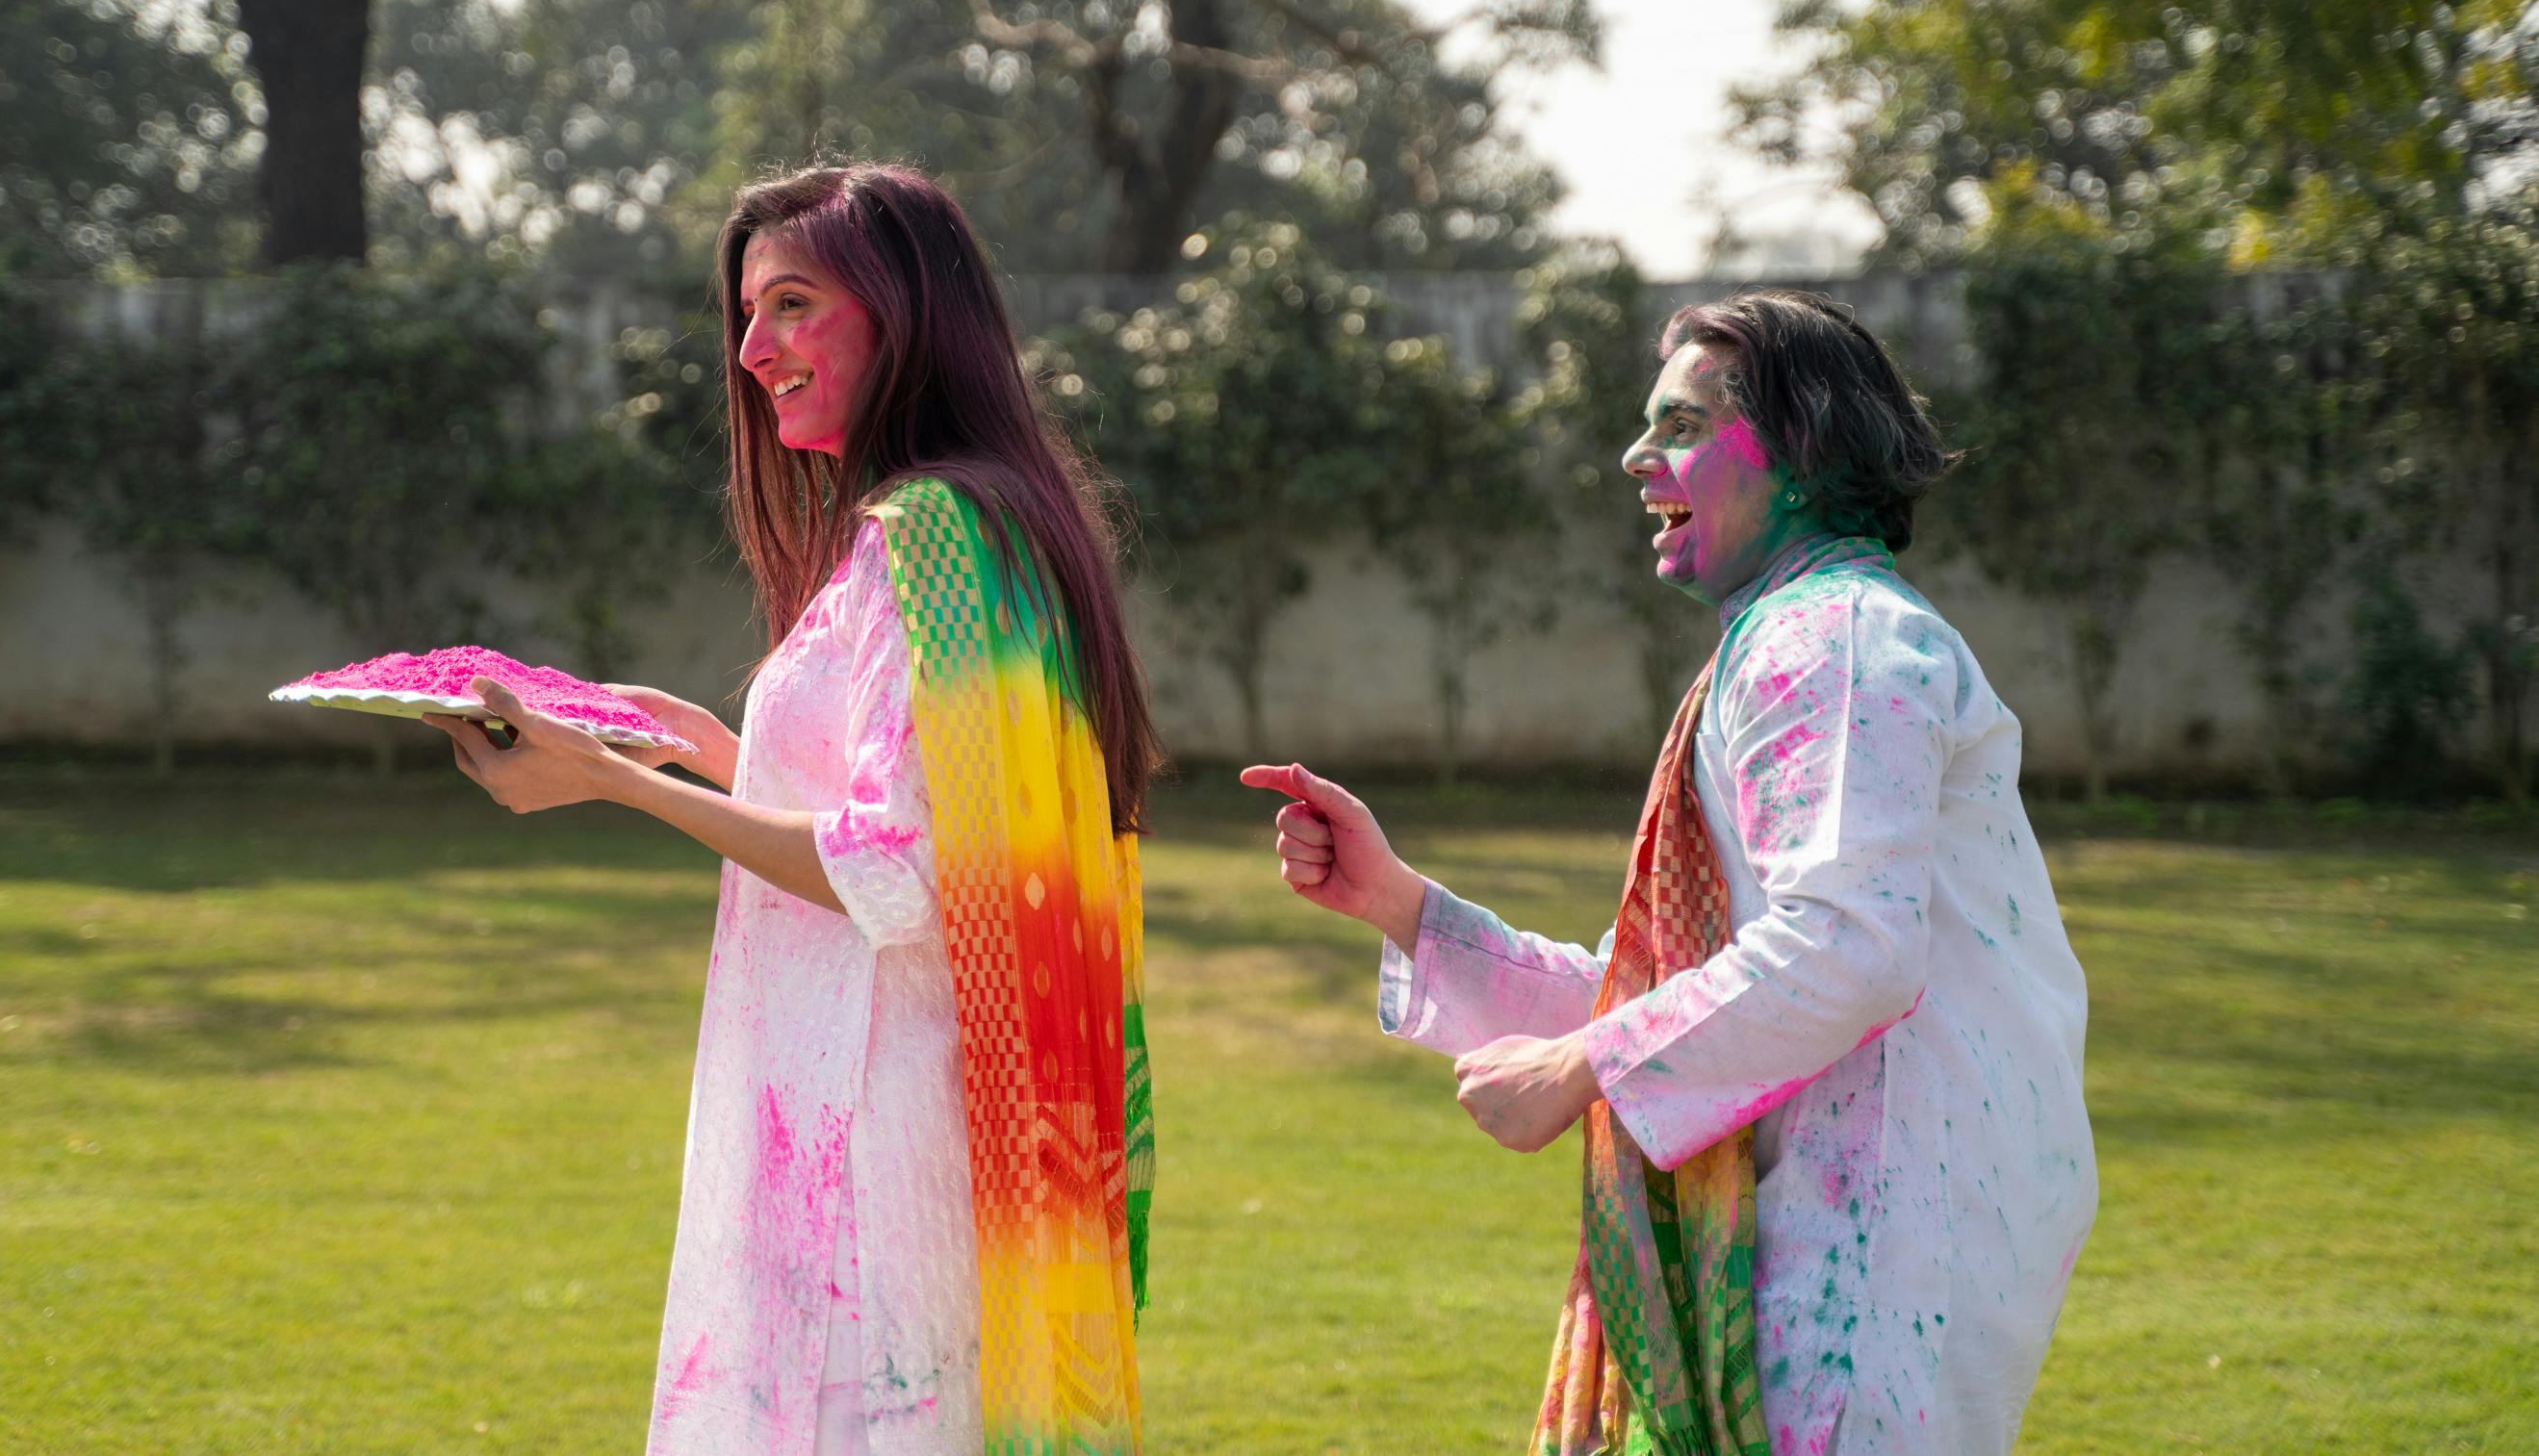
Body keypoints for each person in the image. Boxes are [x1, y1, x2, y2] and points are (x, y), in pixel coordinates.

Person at [1245, 289, 2096, 1456]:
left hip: (1892, 1226)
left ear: (1798, 451)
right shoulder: (1781, 641)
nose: (1637, 457)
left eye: (1683, 426)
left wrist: (1578, 1064)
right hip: (1848, 1211)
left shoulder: (1831, 641)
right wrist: (1396, 903)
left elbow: (1845, 950)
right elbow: (1671, 986)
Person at [429, 163, 1161, 1456]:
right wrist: (710, 749)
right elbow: (938, 815)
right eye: (748, 313)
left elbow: (894, 867)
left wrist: (605, 780)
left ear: (905, 314)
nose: (752, 349)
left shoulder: (929, 534)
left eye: (793, 305)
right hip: (895, 1135)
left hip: (863, 1161)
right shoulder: (987, 525)